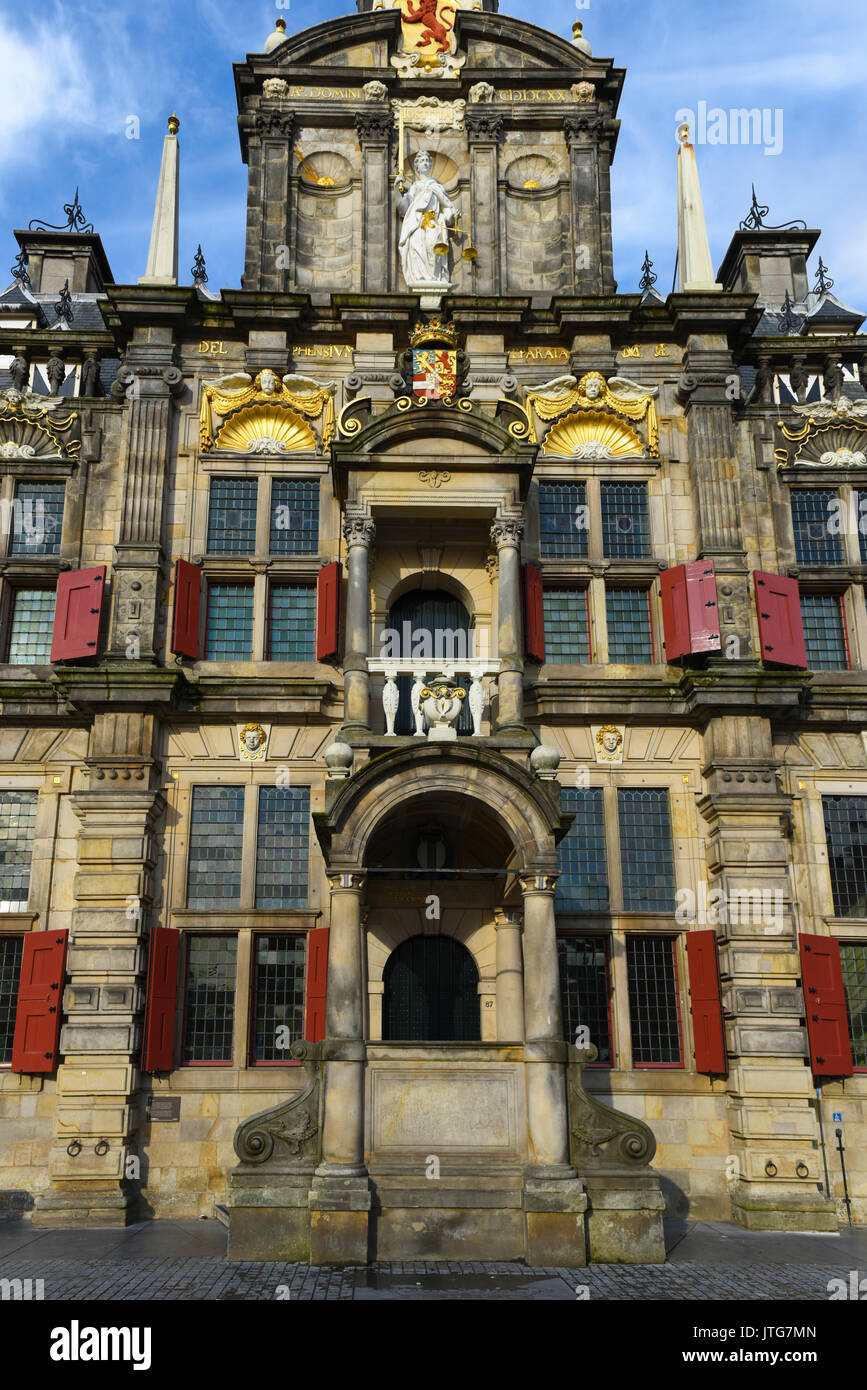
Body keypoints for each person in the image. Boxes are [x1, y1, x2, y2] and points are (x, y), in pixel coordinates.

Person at [396, 150, 457, 288]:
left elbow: (447, 208)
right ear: (416, 167)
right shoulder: (414, 187)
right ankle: (419, 277)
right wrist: (397, 188)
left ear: (430, 165)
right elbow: (403, 210)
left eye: (427, 161)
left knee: (433, 246)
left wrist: (452, 215)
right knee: (417, 249)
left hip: (433, 223)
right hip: (417, 224)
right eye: (421, 161)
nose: (425, 163)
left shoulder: (437, 187)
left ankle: (435, 278)